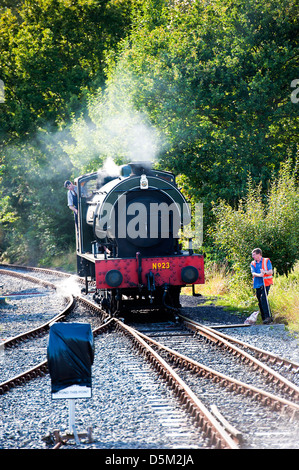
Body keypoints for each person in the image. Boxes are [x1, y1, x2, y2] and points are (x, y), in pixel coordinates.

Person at [250, 248, 273, 324]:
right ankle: (264, 318)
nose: (253, 257)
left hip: (266, 283)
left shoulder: (266, 261)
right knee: (260, 301)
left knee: (263, 299)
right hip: (257, 284)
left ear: (259, 254)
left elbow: (270, 271)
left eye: (254, 255)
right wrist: (259, 275)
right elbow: (253, 273)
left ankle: (268, 317)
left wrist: (265, 272)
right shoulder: (253, 263)